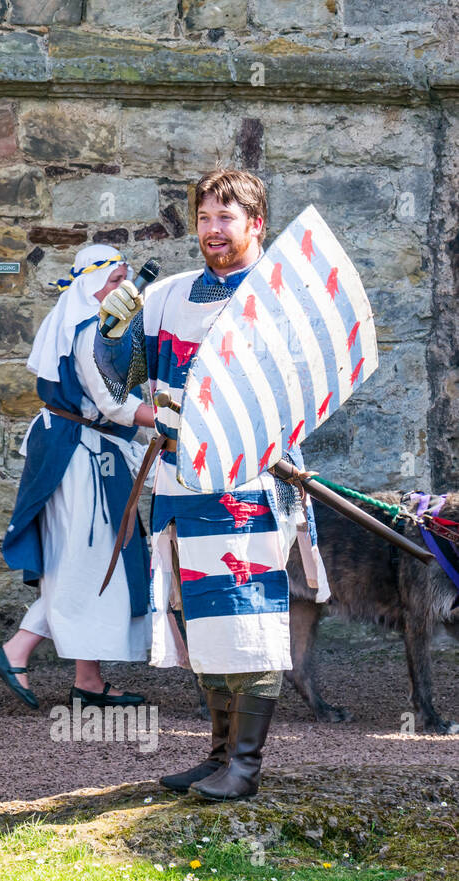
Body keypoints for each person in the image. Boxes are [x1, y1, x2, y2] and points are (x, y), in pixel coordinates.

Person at [94, 168, 329, 801]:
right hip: (177, 479)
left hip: (251, 481)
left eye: (226, 218)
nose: (212, 230)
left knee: (244, 617)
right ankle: (220, 754)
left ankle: (246, 767)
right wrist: (111, 330)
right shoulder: (168, 296)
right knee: (195, 616)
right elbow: (118, 376)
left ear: (256, 224)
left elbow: (300, 389)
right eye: (203, 217)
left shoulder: (280, 299)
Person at [0, 245, 156, 711]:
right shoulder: (90, 335)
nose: (124, 289)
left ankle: (87, 680)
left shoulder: (109, 331)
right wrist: (169, 420)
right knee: (84, 561)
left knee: (84, 559)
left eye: (127, 280)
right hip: (78, 457)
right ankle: (17, 650)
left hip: (89, 451)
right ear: (88, 289)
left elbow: (128, 396)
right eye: (113, 282)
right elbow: (116, 406)